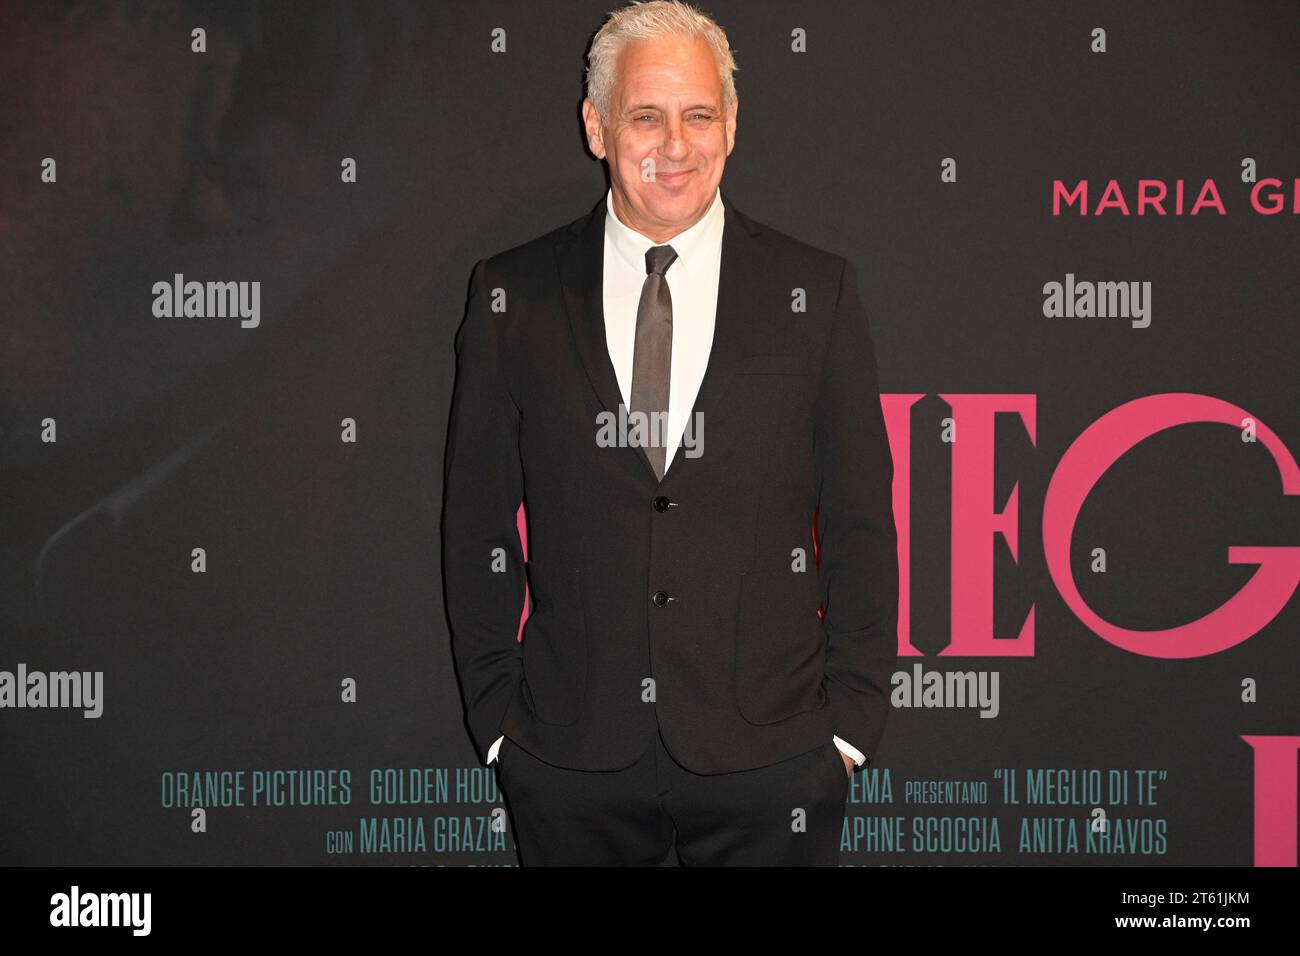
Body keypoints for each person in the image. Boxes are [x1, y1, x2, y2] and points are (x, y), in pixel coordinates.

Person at [442, 0, 898, 866]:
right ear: (597, 127)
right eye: (646, 115)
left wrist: (850, 729)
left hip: (773, 760)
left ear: (732, 124)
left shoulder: (817, 293)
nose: (675, 144)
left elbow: (860, 523)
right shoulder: (511, 296)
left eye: (699, 114)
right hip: (571, 762)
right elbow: (476, 527)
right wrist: (500, 724)